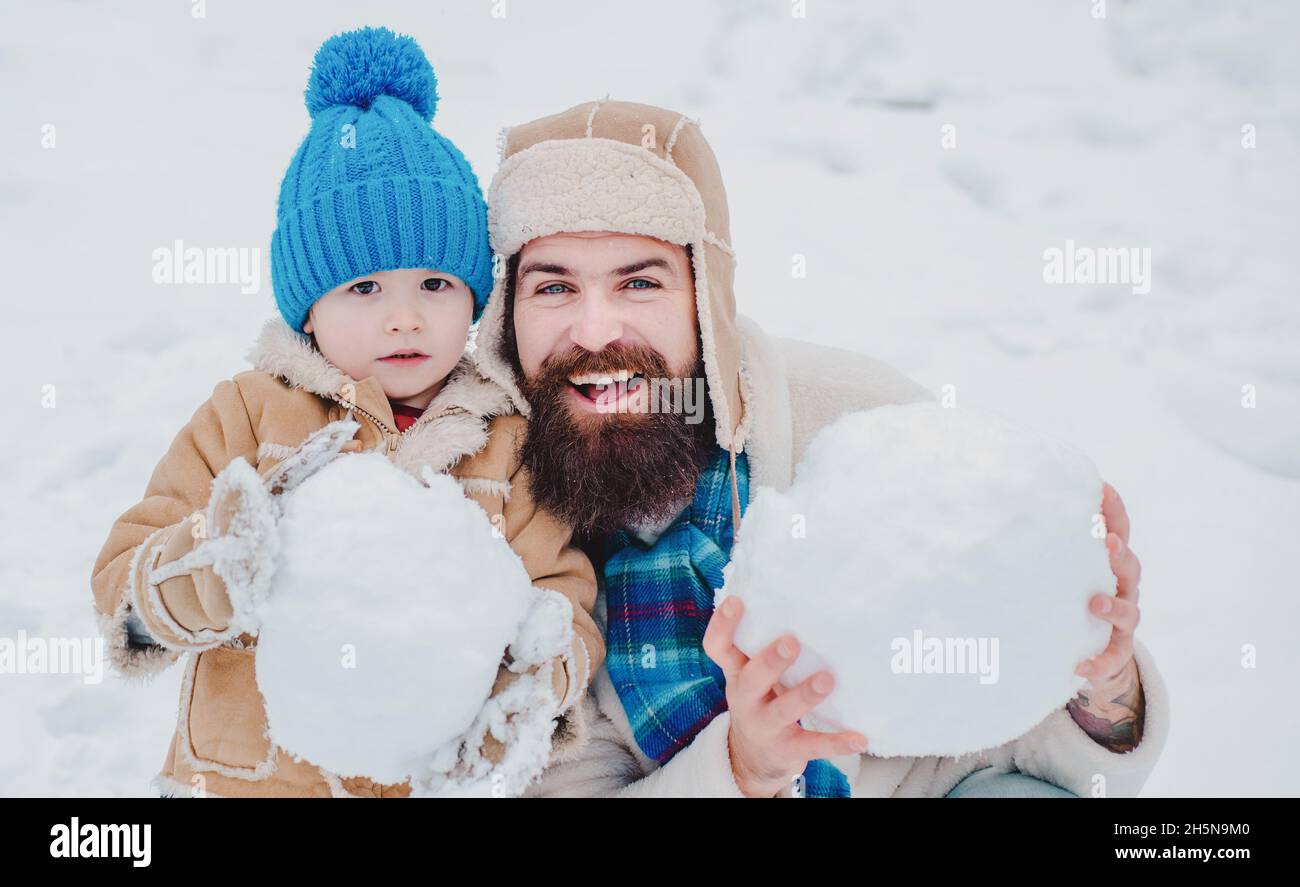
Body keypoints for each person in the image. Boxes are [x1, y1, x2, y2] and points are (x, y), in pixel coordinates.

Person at [470, 98, 1170, 797]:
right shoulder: (494, 522)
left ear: (704, 300)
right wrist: (745, 766)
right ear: (508, 318)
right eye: (554, 285)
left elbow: (1016, 729)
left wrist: (1097, 677)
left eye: (641, 281)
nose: (595, 331)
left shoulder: (854, 420)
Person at [90, 28, 601, 798]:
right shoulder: (249, 414)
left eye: (434, 283)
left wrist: (541, 675)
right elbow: (125, 577)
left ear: (472, 293)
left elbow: (561, 594)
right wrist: (198, 575)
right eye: (364, 289)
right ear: (308, 308)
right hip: (243, 785)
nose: (404, 318)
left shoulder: (505, 443)